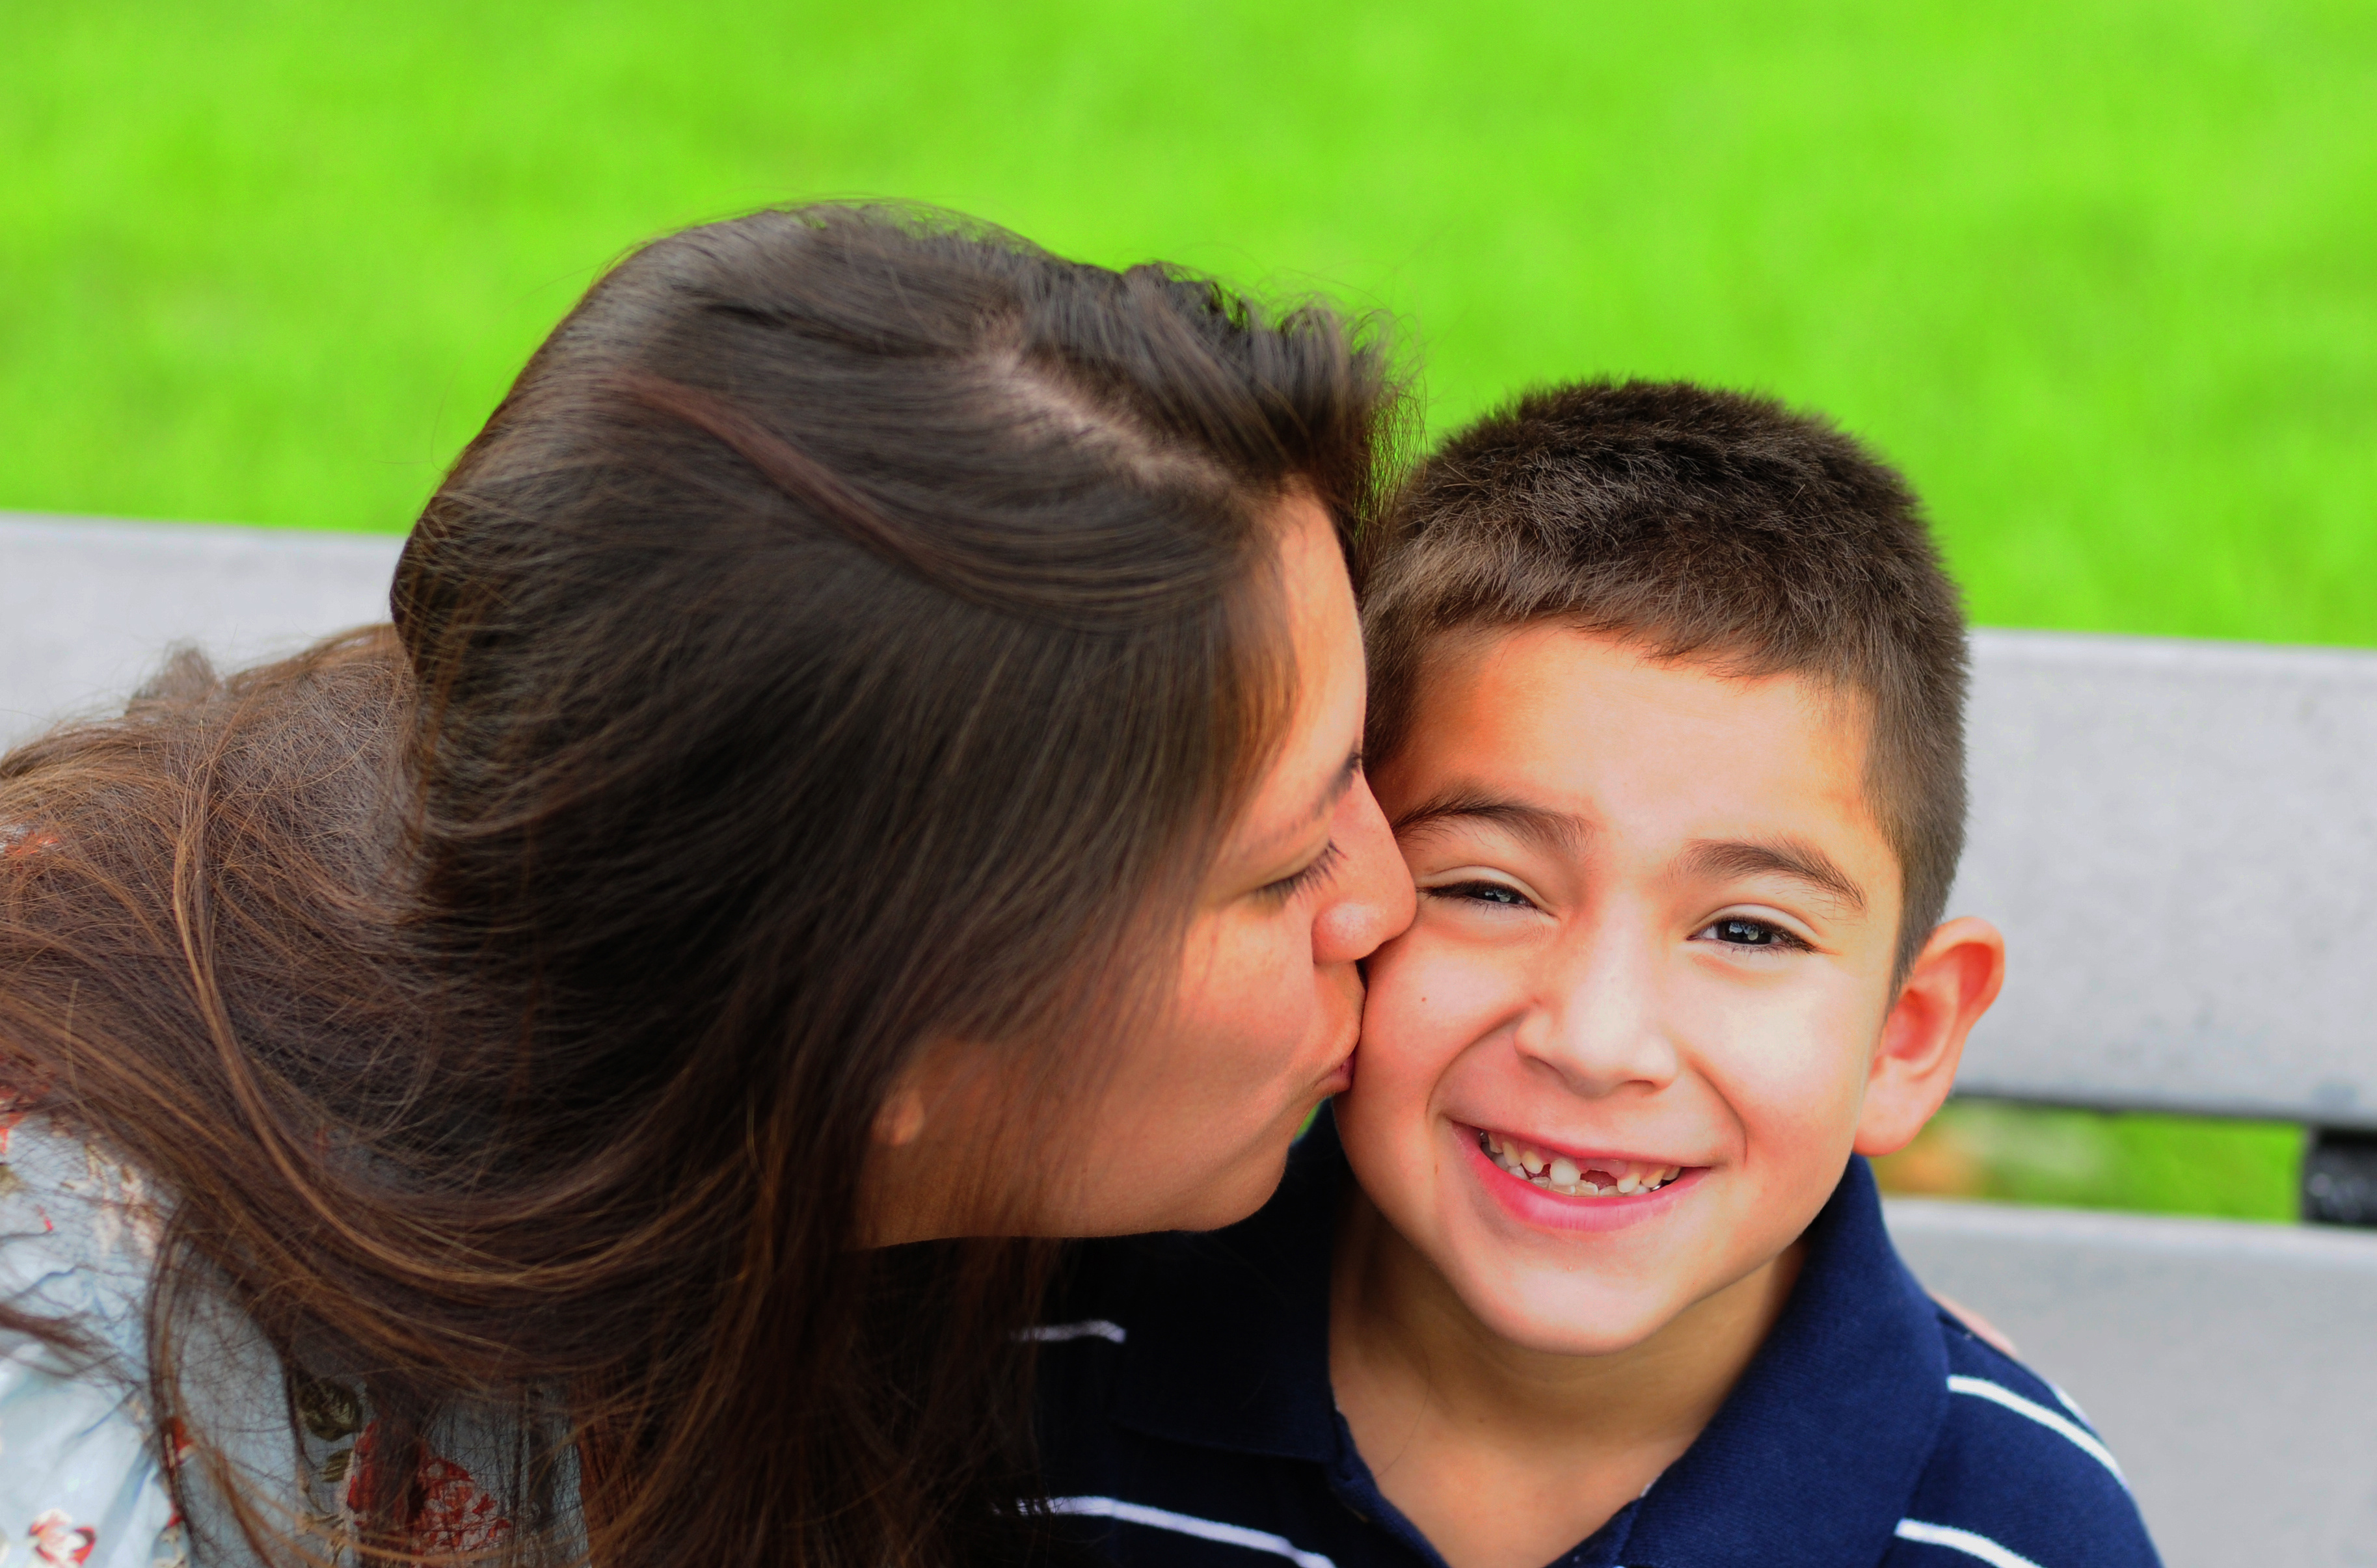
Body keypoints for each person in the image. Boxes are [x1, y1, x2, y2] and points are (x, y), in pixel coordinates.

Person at [0, 206, 1416, 1568]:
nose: (1388, 901)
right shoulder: (73, 1389)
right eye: (1287, 867)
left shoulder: (615, 885)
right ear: (877, 1031)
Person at [1032, 382, 2164, 1567]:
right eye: (1487, 889)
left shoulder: (2019, 1531)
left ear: (1904, 1035)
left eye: (1747, 932)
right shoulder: (1030, 1375)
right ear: (1345, 894)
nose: (1595, 1038)